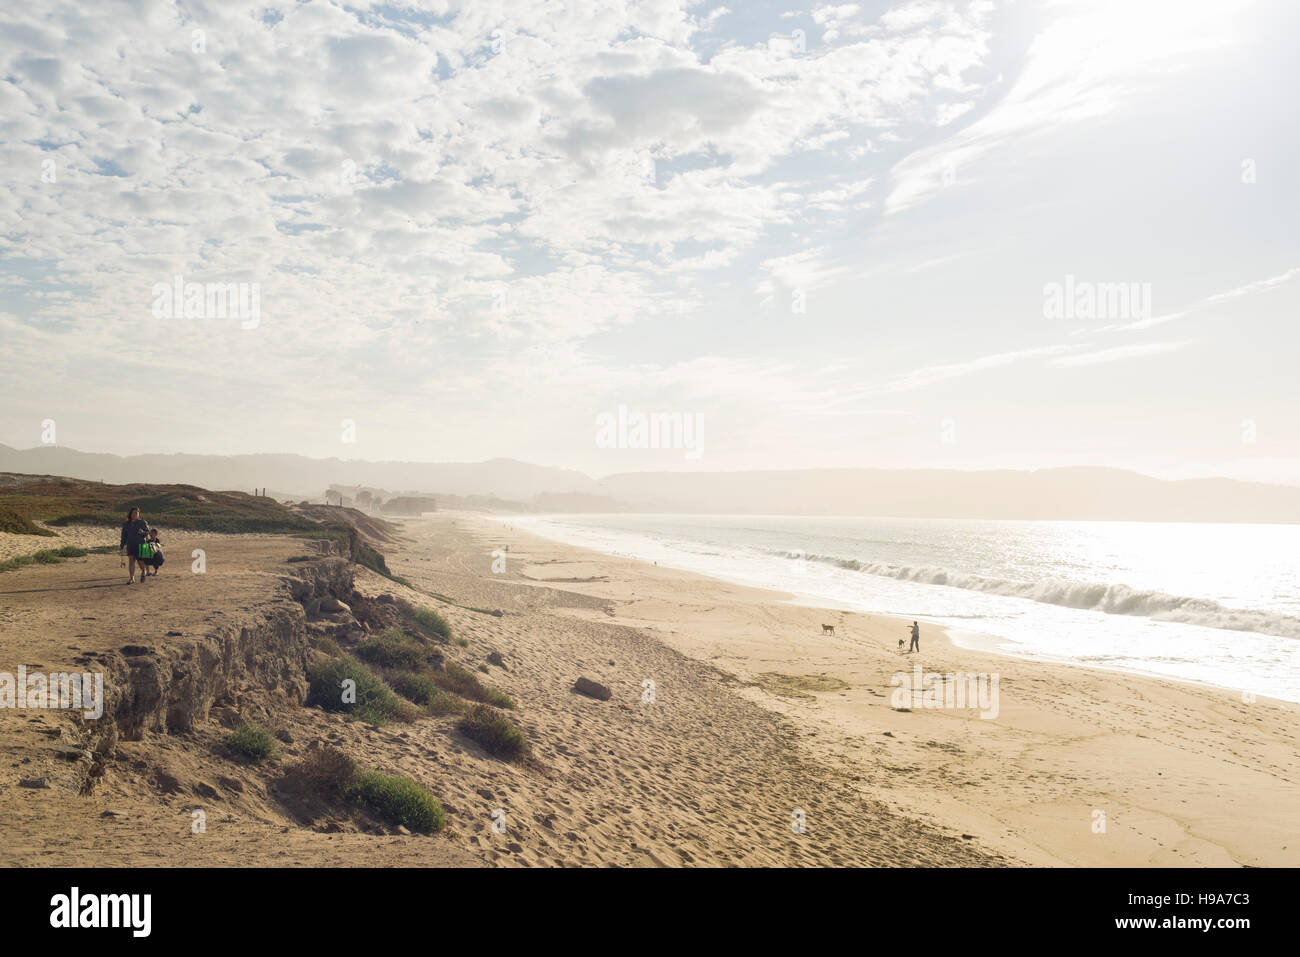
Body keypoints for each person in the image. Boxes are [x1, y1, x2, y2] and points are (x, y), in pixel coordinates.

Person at [119, 507, 151, 584]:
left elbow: (147, 533)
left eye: (136, 513)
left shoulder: (142, 522)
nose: (135, 514)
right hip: (130, 544)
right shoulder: (126, 524)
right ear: (130, 514)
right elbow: (124, 535)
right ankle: (131, 578)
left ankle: (143, 571)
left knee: (140, 562)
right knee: (131, 560)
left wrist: (142, 532)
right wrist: (122, 545)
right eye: (133, 513)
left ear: (139, 514)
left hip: (141, 545)